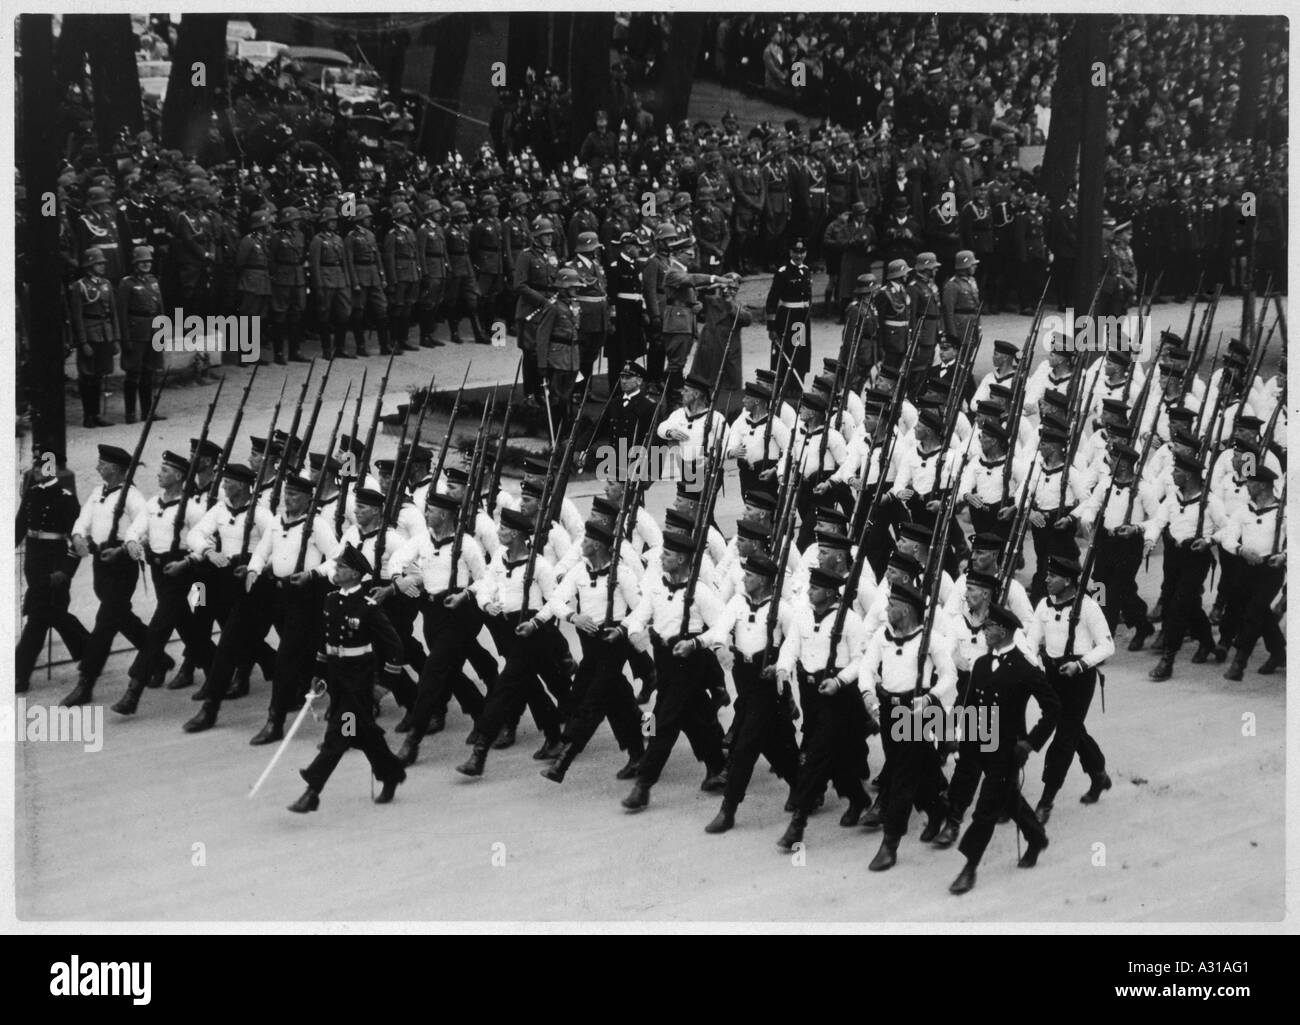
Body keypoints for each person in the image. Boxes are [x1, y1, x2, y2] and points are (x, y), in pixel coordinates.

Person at [287, 543, 410, 813]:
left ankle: (312, 791)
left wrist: (384, 685)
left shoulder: (368, 607)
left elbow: (395, 648)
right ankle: (391, 773)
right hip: (337, 681)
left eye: (341, 567)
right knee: (364, 736)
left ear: (355, 574)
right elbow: (326, 642)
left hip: (358, 685)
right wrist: (318, 676)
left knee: (339, 735)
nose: (336, 570)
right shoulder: (331, 600)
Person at [947, 603, 1059, 895]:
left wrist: (1031, 742)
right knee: (1008, 798)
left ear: (1004, 631)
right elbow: (970, 703)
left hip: (1007, 750)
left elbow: (1053, 708)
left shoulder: (1024, 667)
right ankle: (1036, 838)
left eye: (989, 627)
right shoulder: (981, 664)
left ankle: (969, 867)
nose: (983, 631)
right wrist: (961, 736)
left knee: (986, 808)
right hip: (978, 744)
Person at [698, 551, 800, 833]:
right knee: (775, 742)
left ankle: (728, 809)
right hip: (744, 678)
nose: (745, 578)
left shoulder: (783, 610)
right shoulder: (738, 602)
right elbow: (720, 628)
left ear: (766, 580)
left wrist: (780, 666)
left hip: (766, 683)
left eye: (751, 575)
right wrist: (720, 648)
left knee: (745, 746)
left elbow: (795, 644)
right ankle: (802, 786)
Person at [1026, 555, 1115, 824]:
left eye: (1052, 576)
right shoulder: (1043, 605)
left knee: (1064, 737)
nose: (1046, 579)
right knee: (1073, 728)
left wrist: (1081, 665)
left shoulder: (1088, 607)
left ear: (1067, 580)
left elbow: (1107, 646)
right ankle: (1098, 773)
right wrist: (1033, 666)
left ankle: (1046, 800)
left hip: (1079, 677)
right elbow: (1031, 641)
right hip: (1052, 674)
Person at [64, 444, 148, 707]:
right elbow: (82, 519)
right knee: (120, 616)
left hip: (121, 564)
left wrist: (123, 550)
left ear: (118, 469)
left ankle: (86, 681)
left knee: (105, 624)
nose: (98, 466)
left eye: (103, 463)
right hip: (101, 562)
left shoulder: (133, 497)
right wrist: (79, 535)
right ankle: (157, 657)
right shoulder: (97, 492)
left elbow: (142, 530)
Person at [15, 461, 89, 693]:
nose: (35, 472)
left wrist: (66, 571)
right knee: (53, 614)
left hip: (55, 567)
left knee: (37, 617)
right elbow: (18, 528)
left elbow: (77, 539)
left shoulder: (66, 498)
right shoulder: (32, 494)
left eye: (41, 468)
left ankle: (20, 674)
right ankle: (91, 651)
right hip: (34, 565)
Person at [68, 247, 119, 429]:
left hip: (105, 334)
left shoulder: (106, 284)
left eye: (103, 263)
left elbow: (113, 313)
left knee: (98, 375)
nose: (103, 266)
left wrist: (115, 338)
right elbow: (77, 317)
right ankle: (87, 415)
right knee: (86, 376)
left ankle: (96, 414)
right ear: (89, 265)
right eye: (98, 263)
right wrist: (82, 342)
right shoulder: (79, 286)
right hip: (89, 335)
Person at [116, 246, 166, 423]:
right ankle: (130, 414)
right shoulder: (127, 283)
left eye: (148, 262)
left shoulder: (153, 281)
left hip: (153, 330)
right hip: (136, 332)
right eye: (142, 262)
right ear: (135, 264)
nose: (146, 264)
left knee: (149, 372)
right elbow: (121, 313)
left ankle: (147, 412)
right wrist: (125, 338)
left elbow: (160, 307)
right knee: (133, 373)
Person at [766, 238, 813, 382]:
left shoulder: (806, 271)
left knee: (799, 351)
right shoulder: (783, 272)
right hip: (788, 317)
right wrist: (771, 327)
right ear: (790, 253)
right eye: (796, 252)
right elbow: (772, 300)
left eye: (802, 252)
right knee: (786, 351)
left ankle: (796, 383)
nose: (799, 256)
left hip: (801, 318)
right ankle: (782, 382)